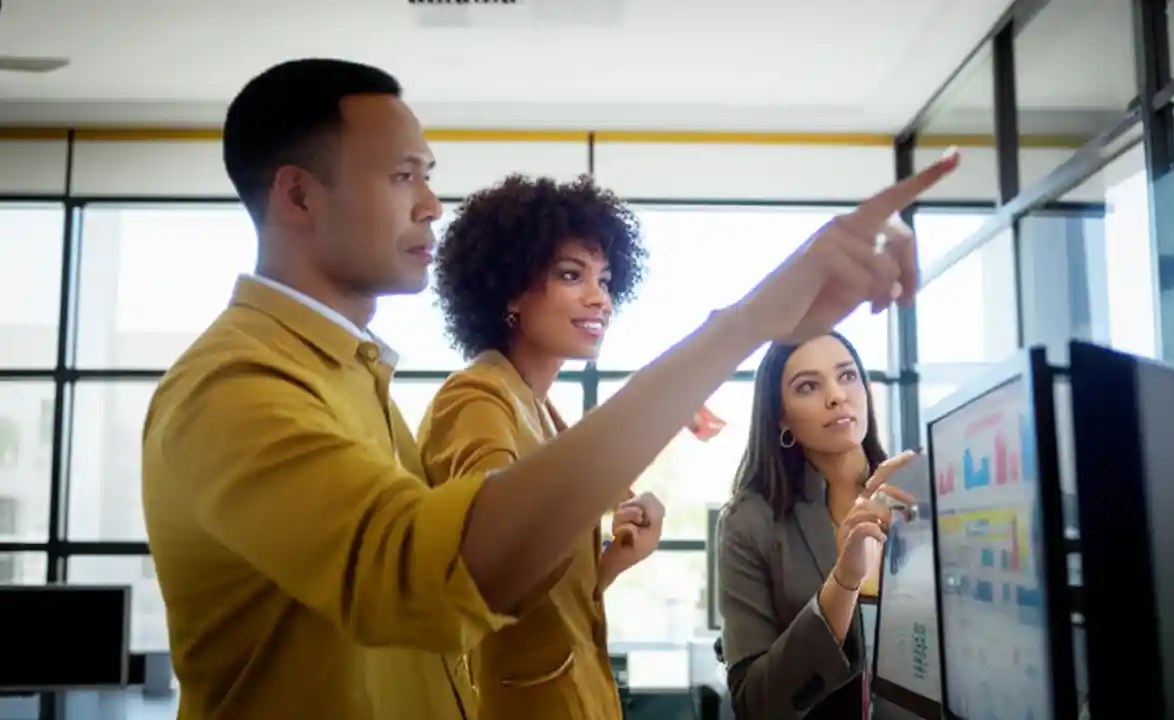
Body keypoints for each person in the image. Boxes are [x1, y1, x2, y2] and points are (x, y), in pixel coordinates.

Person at [140, 55, 957, 720]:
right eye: (402, 177)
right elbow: (443, 574)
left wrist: (597, 566)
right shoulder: (238, 385)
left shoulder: (354, 380)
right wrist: (739, 326)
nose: (429, 204)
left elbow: (460, 617)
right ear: (298, 194)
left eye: (428, 176)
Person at [416, 173, 659, 719]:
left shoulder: (541, 410)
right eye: (572, 275)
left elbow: (545, 591)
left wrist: (610, 564)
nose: (600, 298)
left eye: (606, 277)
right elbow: (494, 570)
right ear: (509, 290)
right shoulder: (476, 399)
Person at [716, 331, 919, 719]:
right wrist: (844, 581)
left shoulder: (916, 493)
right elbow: (756, 705)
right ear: (780, 415)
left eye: (847, 377)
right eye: (808, 386)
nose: (836, 396)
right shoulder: (750, 522)